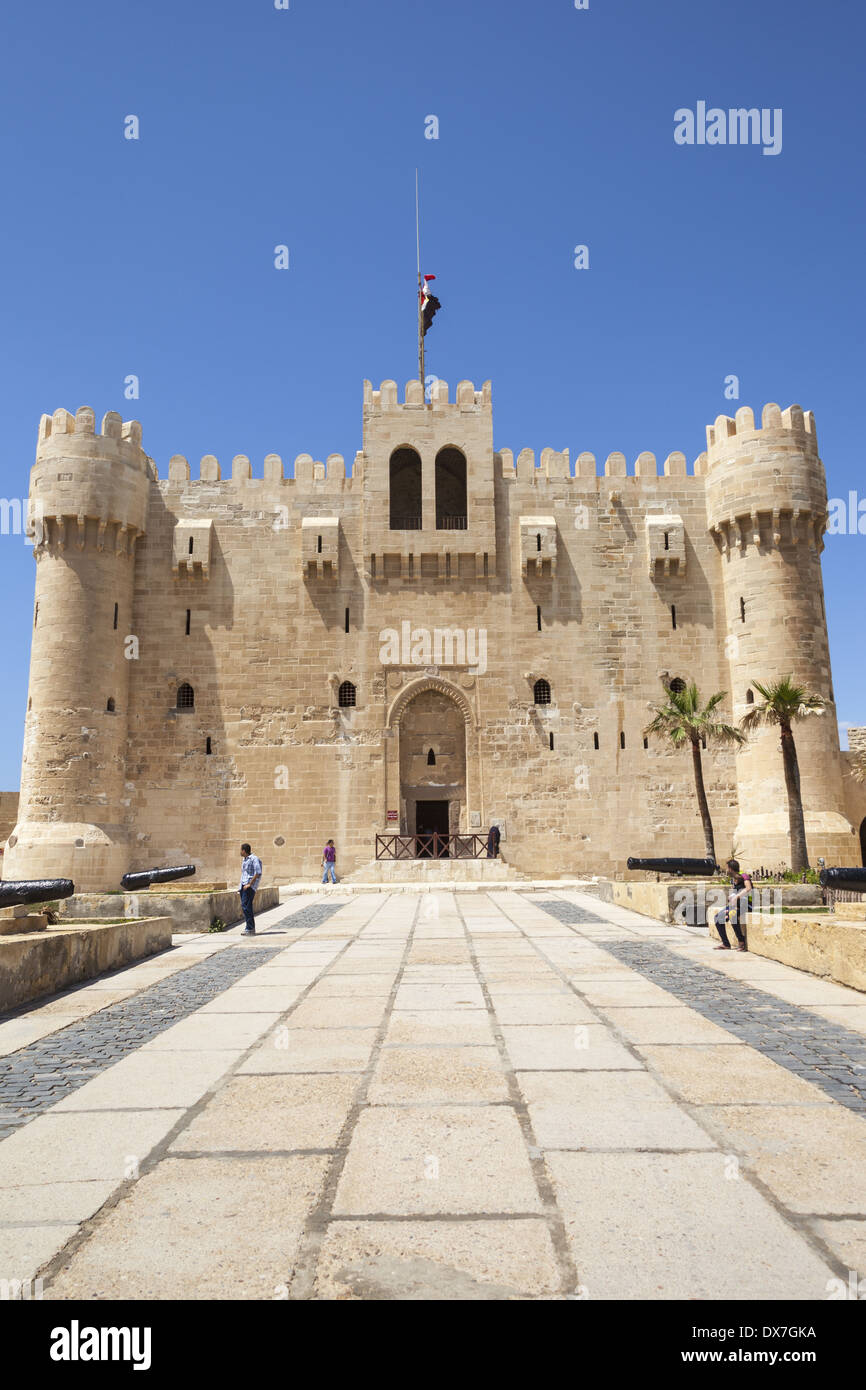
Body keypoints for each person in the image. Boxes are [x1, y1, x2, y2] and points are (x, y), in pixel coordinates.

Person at [713, 858, 753, 951]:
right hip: (736, 905)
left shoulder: (744, 876)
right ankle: (726, 944)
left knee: (732, 915)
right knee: (717, 918)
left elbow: (748, 888)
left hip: (746, 905)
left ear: (731, 869)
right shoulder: (733, 880)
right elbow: (736, 892)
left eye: (727, 868)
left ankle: (741, 941)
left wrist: (737, 896)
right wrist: (732, 897)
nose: (726, 870)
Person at [238, 842, 262, 936]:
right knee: (245, 907)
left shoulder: (254, 859)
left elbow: (258, 872)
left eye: (241, 850)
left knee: (246, 906)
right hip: (243, 886)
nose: (240, 852)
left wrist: (250, 884)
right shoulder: (245, 860)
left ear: (244, 850)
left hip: (249, 887)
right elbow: (244, 873)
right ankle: (249, 927)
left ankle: (250, 928)